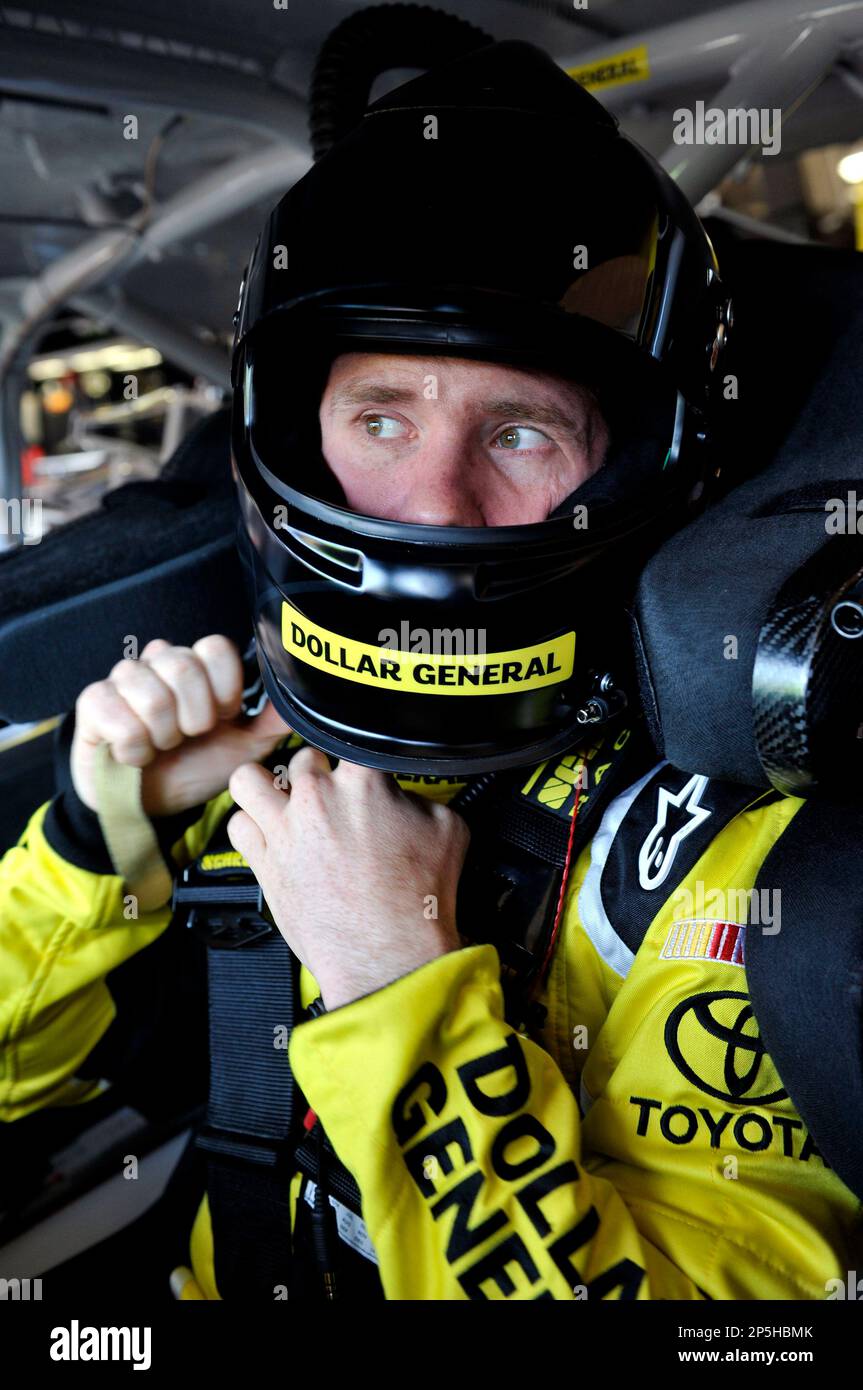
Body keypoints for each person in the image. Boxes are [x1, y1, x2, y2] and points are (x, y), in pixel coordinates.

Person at [1, 38, 861, 1303]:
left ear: (640, 469)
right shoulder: (251, 745)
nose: (435, 504)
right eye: (381, 419)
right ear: (298, 435)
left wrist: (396, 986)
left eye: (518, 431)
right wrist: (92, 843)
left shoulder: (744, 874)